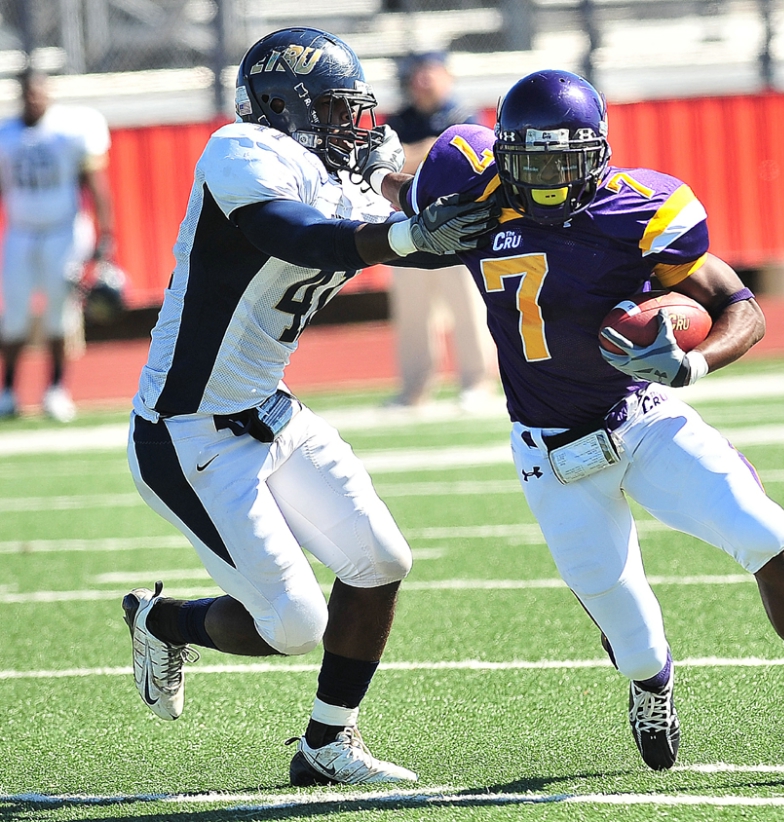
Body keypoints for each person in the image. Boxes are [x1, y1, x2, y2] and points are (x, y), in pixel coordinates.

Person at [397, 69, 784, 770]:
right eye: (533, 161)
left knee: (763, 532)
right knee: (637, 641)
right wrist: (414, 227)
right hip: (551, 454)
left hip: (640, 415)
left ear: (597, 153)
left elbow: (744, 307)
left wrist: (694, 365)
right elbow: (389, 197)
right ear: (504, 156)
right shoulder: (466, 187)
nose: (551, 179)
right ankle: (652, 683)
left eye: (565, 160)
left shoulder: (640, 209)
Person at [122, 27, 497, 786]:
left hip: (270, 410)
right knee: (294, 624)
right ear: (279, 107)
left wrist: (482, 208)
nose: (348, 127)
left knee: (380, 558)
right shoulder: (240, 150)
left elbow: (416, 231)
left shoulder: (337, 175)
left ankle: (327, 744)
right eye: (330, 110)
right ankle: (161, 621)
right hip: (185, 431)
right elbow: (294, 231)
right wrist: (398, 227)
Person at [0, 68, 115, 423]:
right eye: (29, 93)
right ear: (21, 95)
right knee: (15, 314)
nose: (34, 99)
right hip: (21, 231)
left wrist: (106, 234)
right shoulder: (6, 135)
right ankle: (8, 391)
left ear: (47, 93)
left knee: (59, 314)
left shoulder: (69, 131)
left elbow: (94, 182)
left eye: (39, 92)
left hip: (63, 231)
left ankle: (56, 389)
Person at [385, 50, 496, 408]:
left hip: (458, 225)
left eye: (430, 72)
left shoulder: (462, 114)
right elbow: (390, 157)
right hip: (407, 223)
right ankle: (415, 388)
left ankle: (477, 384)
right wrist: (429, 149)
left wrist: (420, 151)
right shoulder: (400, 118)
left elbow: (457, 154)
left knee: (468, 307)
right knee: (412, 312)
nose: (423, 81)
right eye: (417, 73)